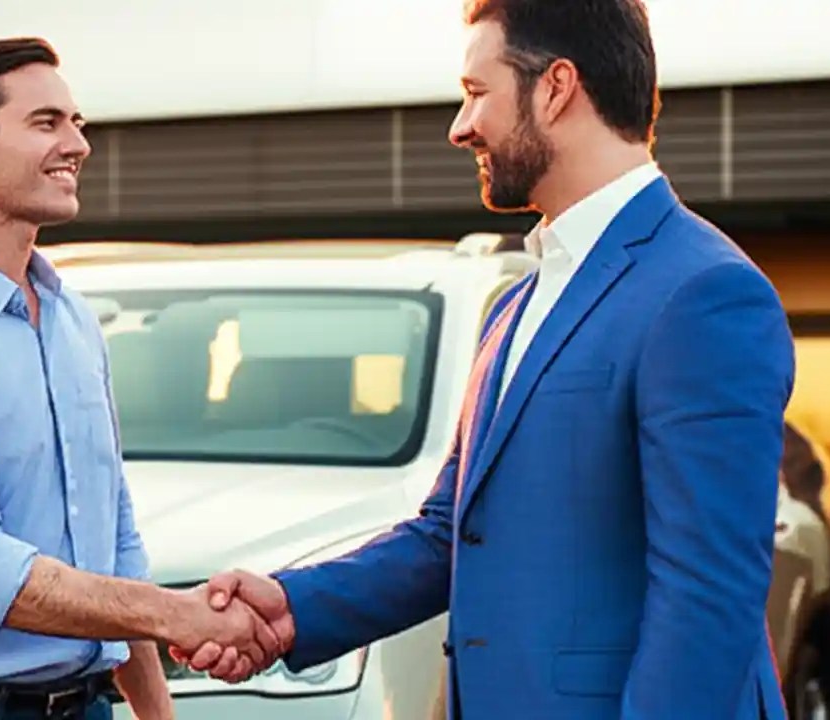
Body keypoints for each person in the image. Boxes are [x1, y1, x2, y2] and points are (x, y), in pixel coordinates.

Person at [178, 1, 796, 718]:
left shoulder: (706, 293)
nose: (460, 126)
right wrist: (291, 607)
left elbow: (708, 596)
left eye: (477, 93)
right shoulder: (514, 304)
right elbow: (449, 532)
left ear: (556, 87)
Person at [0, 38, 278, 720]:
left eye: (77, 123)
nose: (78, 144)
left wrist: (157, 714)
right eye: (47, 123)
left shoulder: (73, 319)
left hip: (86, 706)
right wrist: (176, 615)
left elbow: (116, 542)